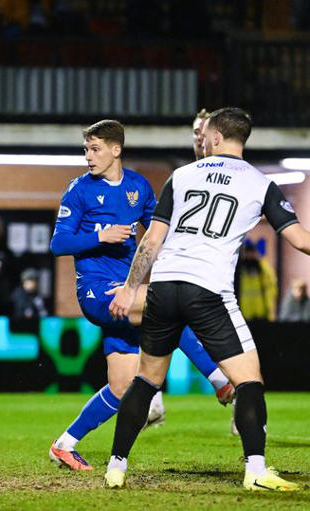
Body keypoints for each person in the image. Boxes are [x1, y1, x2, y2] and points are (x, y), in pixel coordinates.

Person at [105, 107, 303, 491]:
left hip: (163, 287)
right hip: (208, 289)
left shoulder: (181, 175)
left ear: (215, 137)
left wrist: (130, 288)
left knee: (146, 380)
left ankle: (116, 467)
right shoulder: (260, 183)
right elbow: (299, 240)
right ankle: (256, 470)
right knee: (249, 381)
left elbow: (152, 240)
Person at [47, 119, 234, 471]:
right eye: (86, 149)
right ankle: (220, 380)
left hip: (128, 294)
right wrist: (101, 236)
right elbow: (58, 243)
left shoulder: (138, 187)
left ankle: (64, 445)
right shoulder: (79, 190)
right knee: (170, 305)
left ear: (116, 149)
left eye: (95, 149)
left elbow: (161, 232)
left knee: (120, 388)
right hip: (98, 293)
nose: (88, 156)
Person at [237, 239, 278, 320]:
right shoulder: (240, 268)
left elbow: (271, 286)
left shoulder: (262, 267)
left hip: (261, 310)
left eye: (252, 252)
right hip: (244, 311)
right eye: (247, 252)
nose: (250, 255)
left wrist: (270, 307)